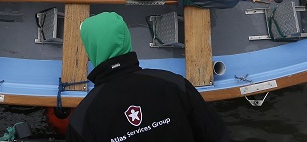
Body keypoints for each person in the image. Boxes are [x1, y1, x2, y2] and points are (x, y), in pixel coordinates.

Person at [66, 12, 229, 142]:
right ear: (127, 41)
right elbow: (216, 134)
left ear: (89, 50)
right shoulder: (175, 84)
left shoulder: (83, 118)